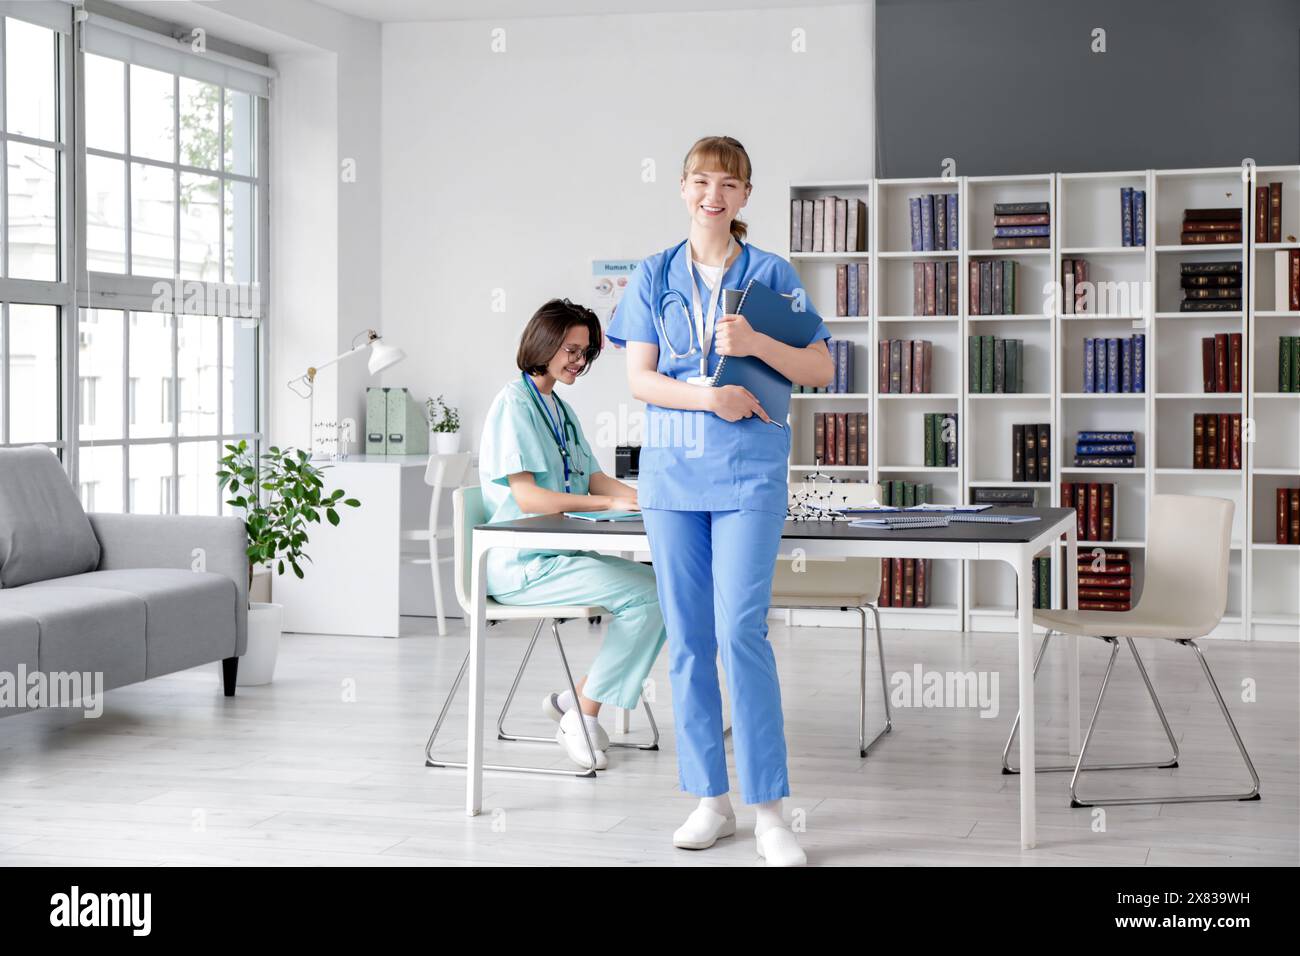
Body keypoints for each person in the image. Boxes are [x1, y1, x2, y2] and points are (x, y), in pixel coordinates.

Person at [605, 136, 835, 866]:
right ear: (682, 188)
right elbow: (640, 379)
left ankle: (769, 811)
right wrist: (711, 396)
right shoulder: (652, 275)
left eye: (729, 184)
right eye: (702, 181)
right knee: (689, 640)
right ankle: (711, 800)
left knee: (741, 633)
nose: (714, 195)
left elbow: (822, 367)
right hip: (672, 483)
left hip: (749, 477)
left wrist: (759, 341)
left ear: (744, 197)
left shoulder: (771, 274)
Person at [478, 298, 667, 771]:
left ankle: (578, 700)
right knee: (652, 597)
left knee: (660, 591)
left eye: (585, 353)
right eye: (571, 350)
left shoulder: (558, 408)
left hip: (560, 555)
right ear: (543, 343)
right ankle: (581, 714)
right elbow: (529, 499)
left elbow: (592, 476)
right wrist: (606, 504)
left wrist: (645, 496)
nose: (579, 362)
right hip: (521, 564)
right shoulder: (512, 406)